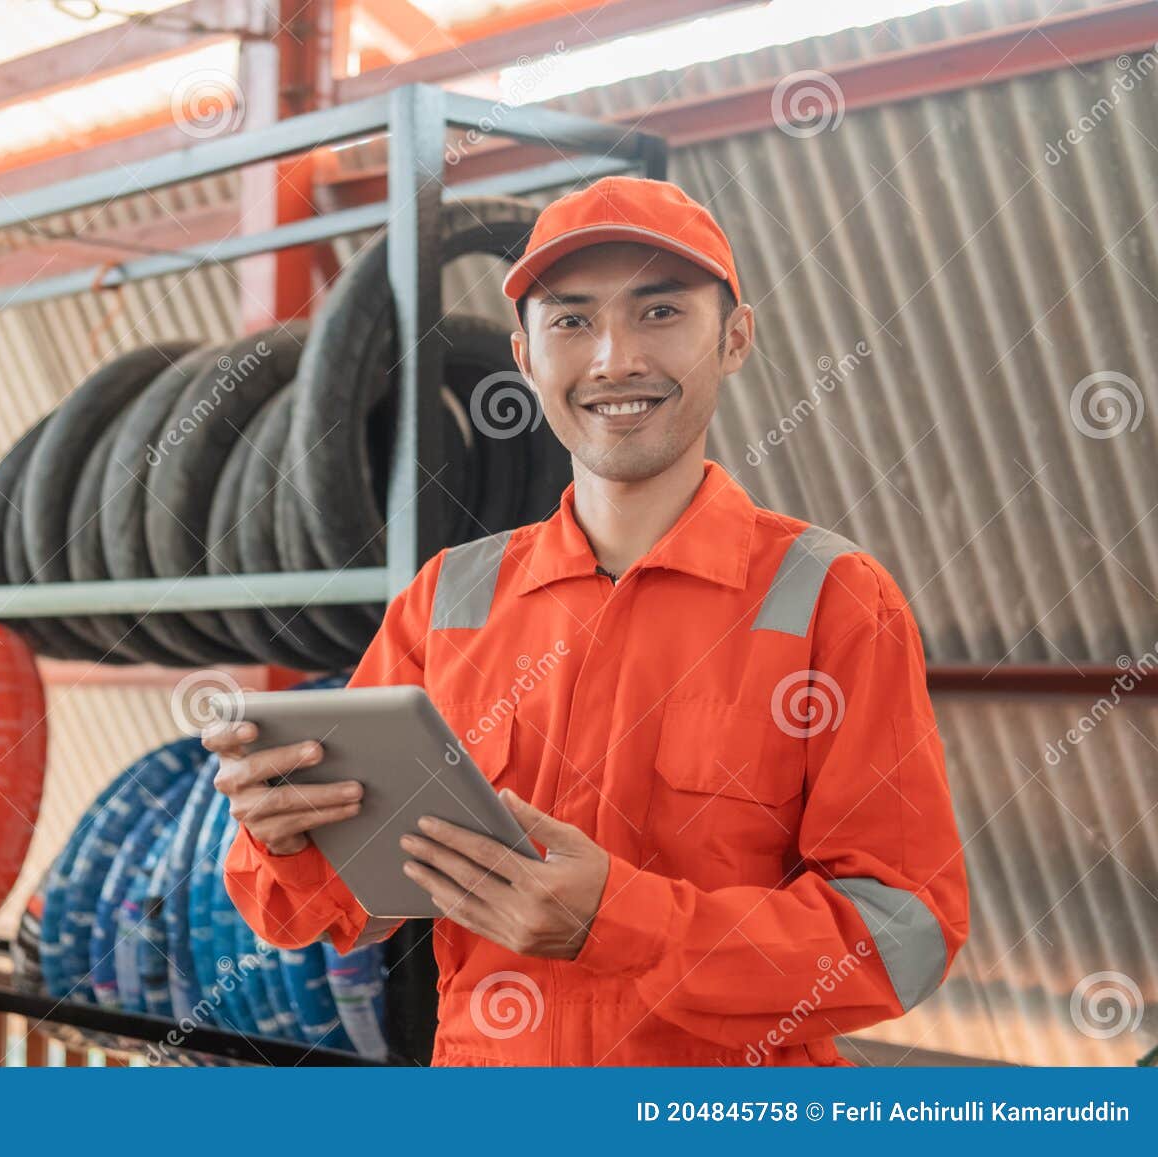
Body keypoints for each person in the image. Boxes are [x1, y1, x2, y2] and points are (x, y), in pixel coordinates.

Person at [210, 176, 969, 1067]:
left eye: (659, 313)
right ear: (525, 361)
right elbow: (317, 912)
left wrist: (621, 924)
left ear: (734, 339)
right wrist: (283, 836)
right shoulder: (450, 598)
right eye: (571, 321)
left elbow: (904, 934)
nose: (614, 359)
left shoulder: (833, 599)